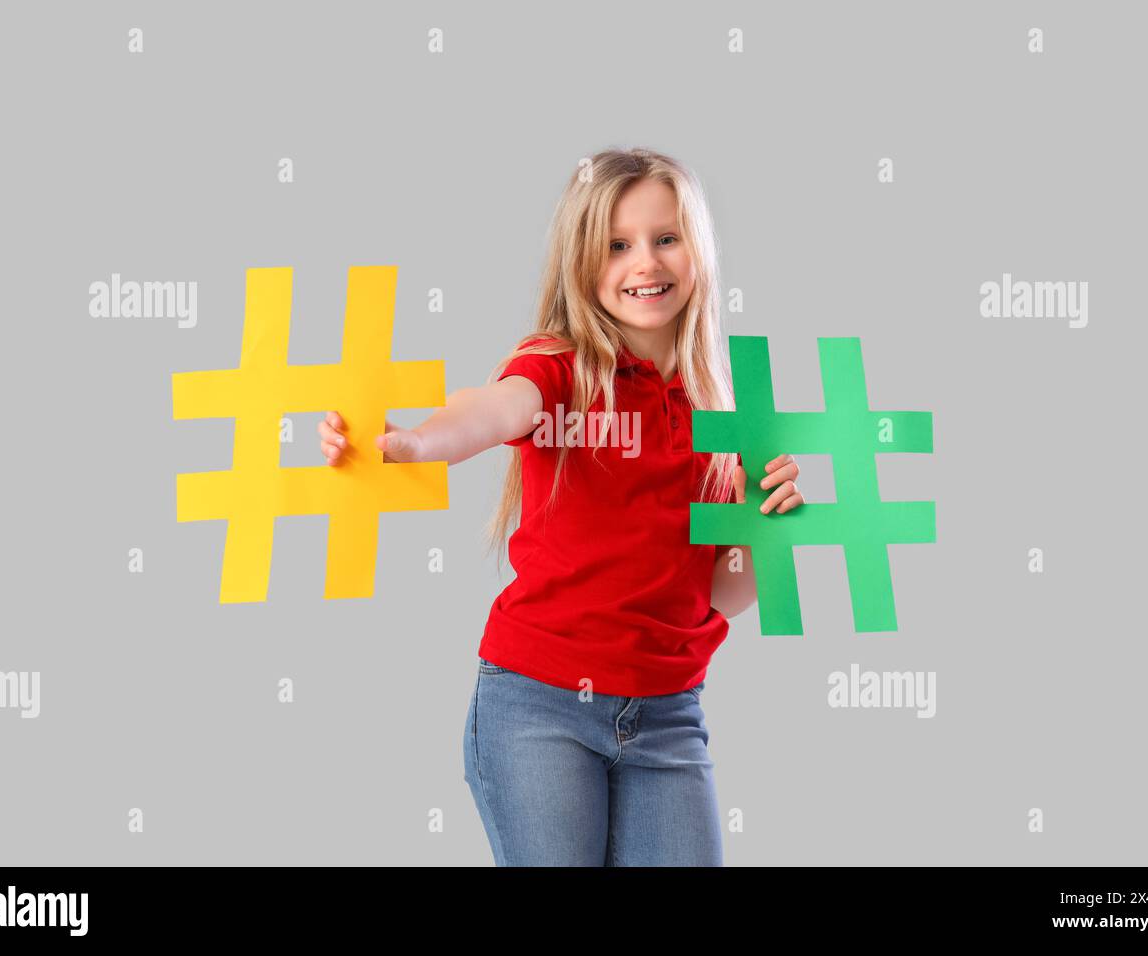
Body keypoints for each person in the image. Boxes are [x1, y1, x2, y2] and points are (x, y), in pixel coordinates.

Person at [317, 147, 804, 865]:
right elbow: (495, 409)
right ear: (582, 261)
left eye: (666, 238)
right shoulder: (561, 368)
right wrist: (420, 442)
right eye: (617, 245)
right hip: (538, 707)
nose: (646, 263)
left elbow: (721, 594)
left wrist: (771, 532)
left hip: (668, 713)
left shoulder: (718, 409)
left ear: (697, 249)